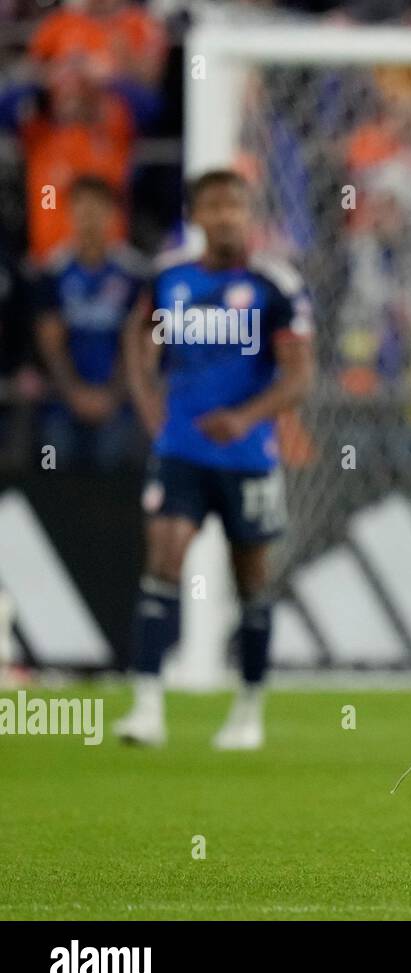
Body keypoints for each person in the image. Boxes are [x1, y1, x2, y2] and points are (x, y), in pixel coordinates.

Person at [114, 170, 314, 750]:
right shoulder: (169, 278)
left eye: (235, 205)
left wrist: (246, 418)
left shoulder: (274, 284)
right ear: (196, 216)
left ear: (248, 213)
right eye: (213, 205)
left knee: (251, 579)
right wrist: (150, 405)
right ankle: (147, 708)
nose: (225, 215)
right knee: (164, 559)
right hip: (181, 451)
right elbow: (138, 337)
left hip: (249, 457)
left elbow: (301, 374)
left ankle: (249, 710)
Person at [34, 176, 148, 471]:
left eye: (97, 211)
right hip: (63, 402)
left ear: (113, 215)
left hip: (120, 404)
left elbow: (138, 340)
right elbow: (50, 341)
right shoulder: (53, 272)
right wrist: (73, 393)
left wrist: (113, 394)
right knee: (53, 473)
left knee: (113, 481)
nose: (88, 220)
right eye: (81, 211)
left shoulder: (134, 274)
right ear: (69, 215)